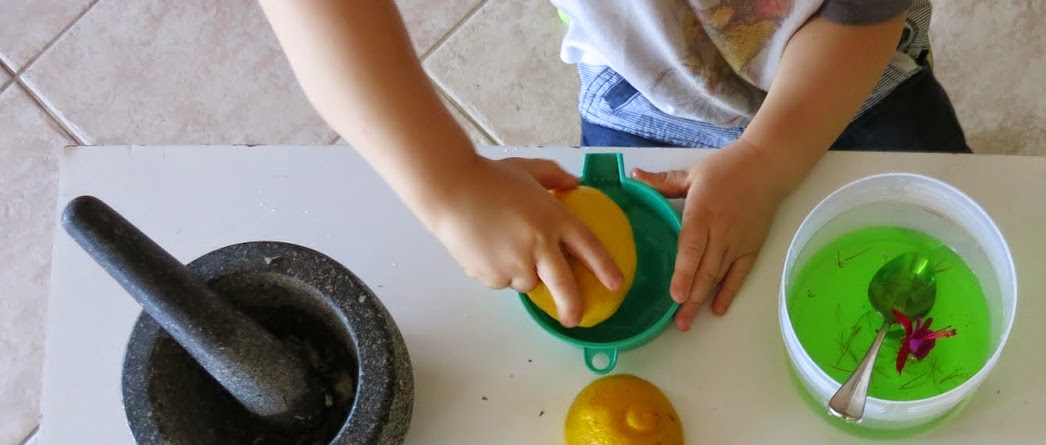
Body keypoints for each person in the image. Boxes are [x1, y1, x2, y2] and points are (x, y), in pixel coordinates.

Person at [258, 1, 968, 332]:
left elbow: (864, 14)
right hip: (641, 78)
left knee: (950, 240)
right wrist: (449, 185)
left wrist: (770, 160)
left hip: (852, 66)